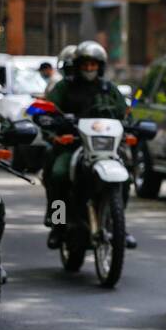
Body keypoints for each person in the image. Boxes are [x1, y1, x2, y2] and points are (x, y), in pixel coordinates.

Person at [40, 40, 134, 250]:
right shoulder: (65, 86)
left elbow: (124, 113)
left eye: (94, 64)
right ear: (78, 65)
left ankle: (119, 225)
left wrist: (130, 127)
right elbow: (47, 111)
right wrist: (54, 130)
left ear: (100, 66)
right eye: (86, 64)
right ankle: (58, 224)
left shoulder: (109, 88)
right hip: (72, 144)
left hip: (105, 147)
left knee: (126, 176)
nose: (89, 69)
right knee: (58, 175)